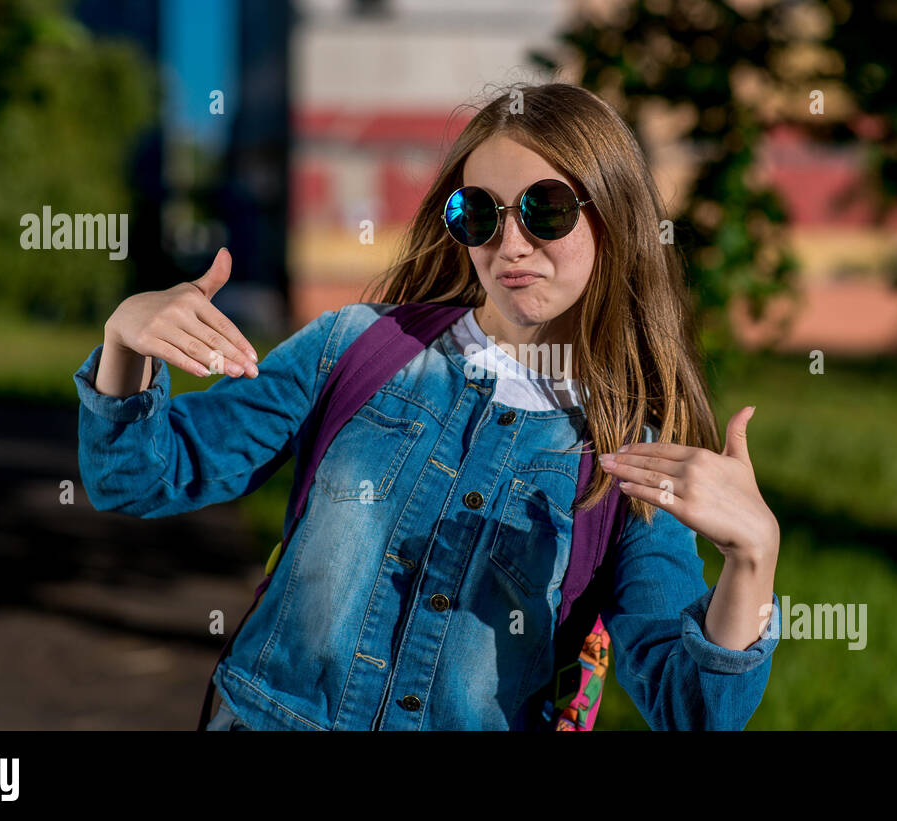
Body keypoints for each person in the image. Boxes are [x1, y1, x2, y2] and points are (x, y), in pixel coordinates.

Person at [74, 82, 782, 731]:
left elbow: (694, 709)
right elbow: (137, 475)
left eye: (547, 208)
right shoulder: (353, 347)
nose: (510, 243)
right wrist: (126, 342)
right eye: (478, 213)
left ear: (614, 214)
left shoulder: (631, 457)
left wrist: (753, 559)